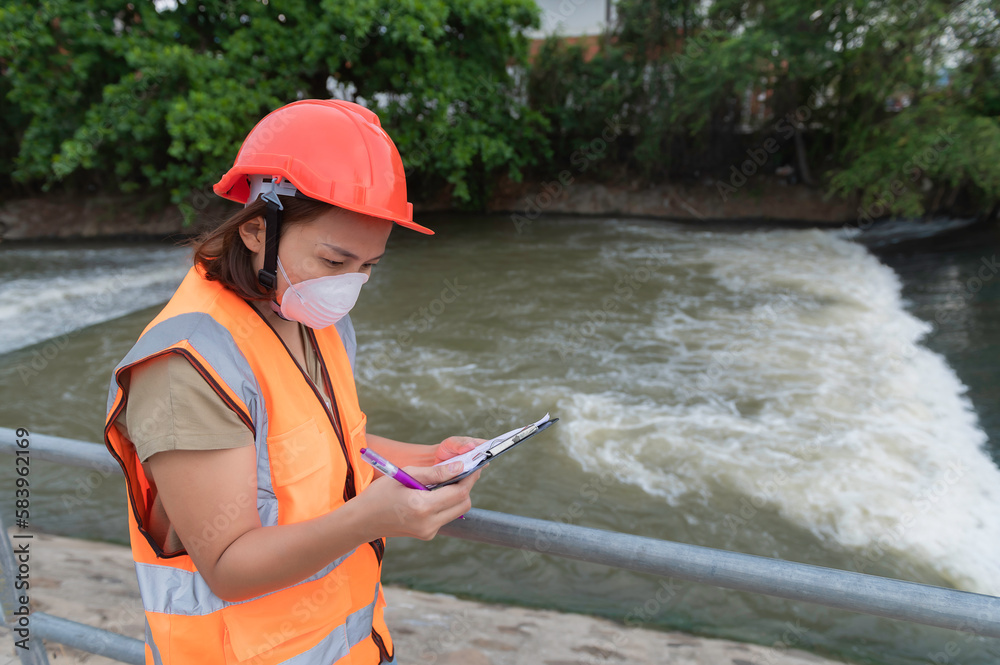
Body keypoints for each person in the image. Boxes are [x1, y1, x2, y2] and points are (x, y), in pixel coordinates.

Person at [103, 99, 483, 665]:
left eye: (369, 266)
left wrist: (431, 458)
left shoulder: (311, 316)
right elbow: (230, 567)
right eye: (335, 262)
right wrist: (374, 517)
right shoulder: (185, 368)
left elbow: (323, 446)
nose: (350, 286)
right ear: (257, 230)